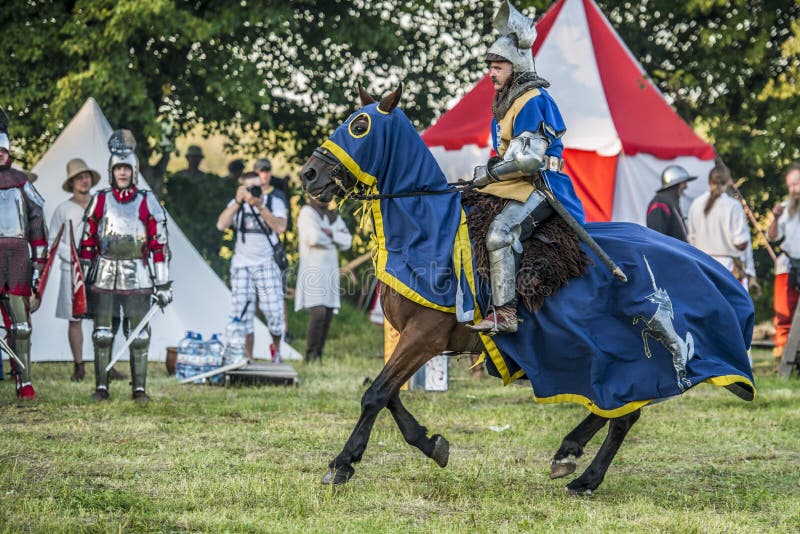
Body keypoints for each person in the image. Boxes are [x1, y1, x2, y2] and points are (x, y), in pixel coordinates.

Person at [467, 1, 585, 333]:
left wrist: (487, 173)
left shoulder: (531, 98)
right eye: (490, 65)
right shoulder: (507, 101)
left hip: (543, 184)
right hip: (517, 183)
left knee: (500, 233)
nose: (491, 72)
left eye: (498, 65)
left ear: (516, 65)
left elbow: (529, 159)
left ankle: (505, 313)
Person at [79, 130, 172, 402]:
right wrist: (82, 278)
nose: (122, 173)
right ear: (111, 170)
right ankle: (101, 386)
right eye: (118, 168)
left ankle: (139, 389)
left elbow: (159, 245)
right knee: (102, 334)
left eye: (126, 168)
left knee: (139, 335)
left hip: (138, 274)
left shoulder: (147, 200)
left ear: (135, 171)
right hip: (104, 273)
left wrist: (163, 283)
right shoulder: (100, 199)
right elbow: (87, 241)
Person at [0, 110, 48, 399]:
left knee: (21, 326)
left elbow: (36, 225)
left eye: (2, 150)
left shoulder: (22, 182)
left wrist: (39, 265)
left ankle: (24, 380)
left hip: (17, 256)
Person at [216, 170, 287, 362]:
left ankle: (277, 349)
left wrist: (260, 206)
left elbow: (280, 227)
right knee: (242, 314)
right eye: (248, 188)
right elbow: (221, 225)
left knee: (274, 311)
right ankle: (247, 356)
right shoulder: (237, 205)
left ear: (263, 186)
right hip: (241, 265)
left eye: (257, 186)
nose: (253, 191)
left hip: (266, 264)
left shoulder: (274, 203)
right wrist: (239, 201)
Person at [49, 158, 100, 382]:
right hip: (72, 270)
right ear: (71, 183)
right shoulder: (63, 209)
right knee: (75, 317)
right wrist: (71, 256)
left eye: (86, 176)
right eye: (78, 177)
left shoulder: (100, 203)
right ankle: (79, 365)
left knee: (102, 317)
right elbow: (54, 240)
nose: (83, 180)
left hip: (99, 268)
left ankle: (103, 362)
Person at [295, 196, 352, 362]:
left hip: (330, 273)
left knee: (327, 315)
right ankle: (310, 354)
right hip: (313, 272)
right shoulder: (307, 213)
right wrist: (335, 239)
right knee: (318, 313)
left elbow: (348, 241)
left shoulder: (333, 216)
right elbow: (313, 238)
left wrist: (331, 233)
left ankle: (318, 354)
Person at [687, 163, 751, 282]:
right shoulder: (733, 206)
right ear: (728, 182)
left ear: (709, 181)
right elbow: (741, 242)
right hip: (728, 269)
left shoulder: (696, 204)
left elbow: (691, 239)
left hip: (702, 266)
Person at [767, 162, 800, 360]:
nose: (793, 190)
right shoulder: (786, 208)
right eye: (790, 186)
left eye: (796, 184)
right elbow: (772, 236)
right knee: (784, 313)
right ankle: (783, 355)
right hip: (788, 266)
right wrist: (775, 218)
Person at [646, 165, 696, 240]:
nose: (686, 186)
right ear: (675, 184)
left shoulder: (670, 202)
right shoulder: (659, 204)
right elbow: (657, 238)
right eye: (684, 182)